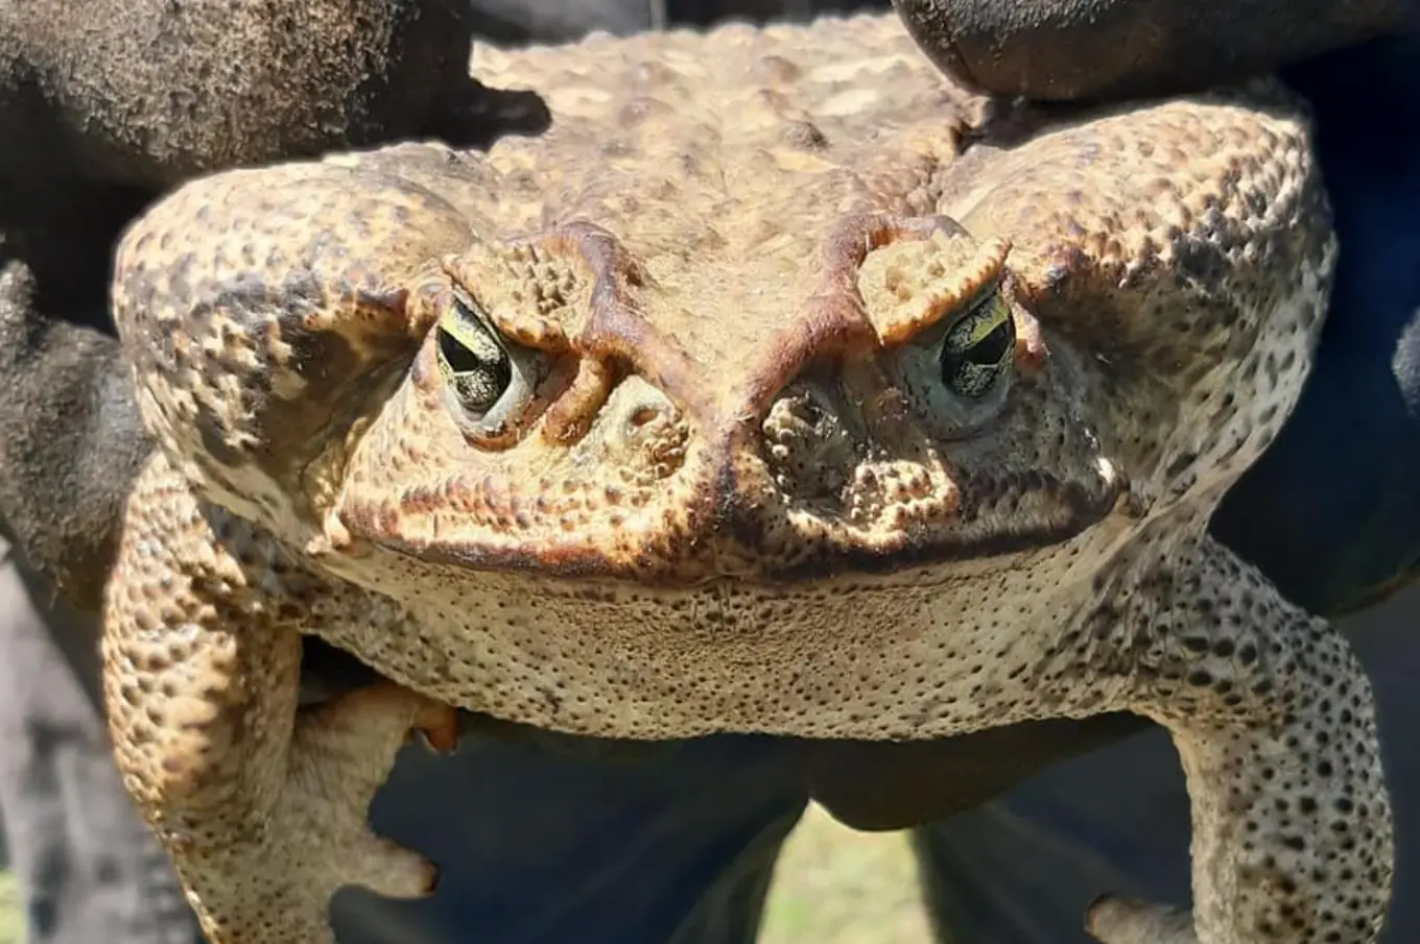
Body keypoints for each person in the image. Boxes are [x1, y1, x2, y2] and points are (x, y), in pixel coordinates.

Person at [1, 3, 1416, 944]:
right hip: (455, 115)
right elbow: (196, 550)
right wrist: (256, 864)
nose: (724, 461)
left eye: (969, 350)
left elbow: (1289, 684)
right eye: (495, 373)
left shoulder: (1140, 576)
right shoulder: (338, 472)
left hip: (1034, 102)